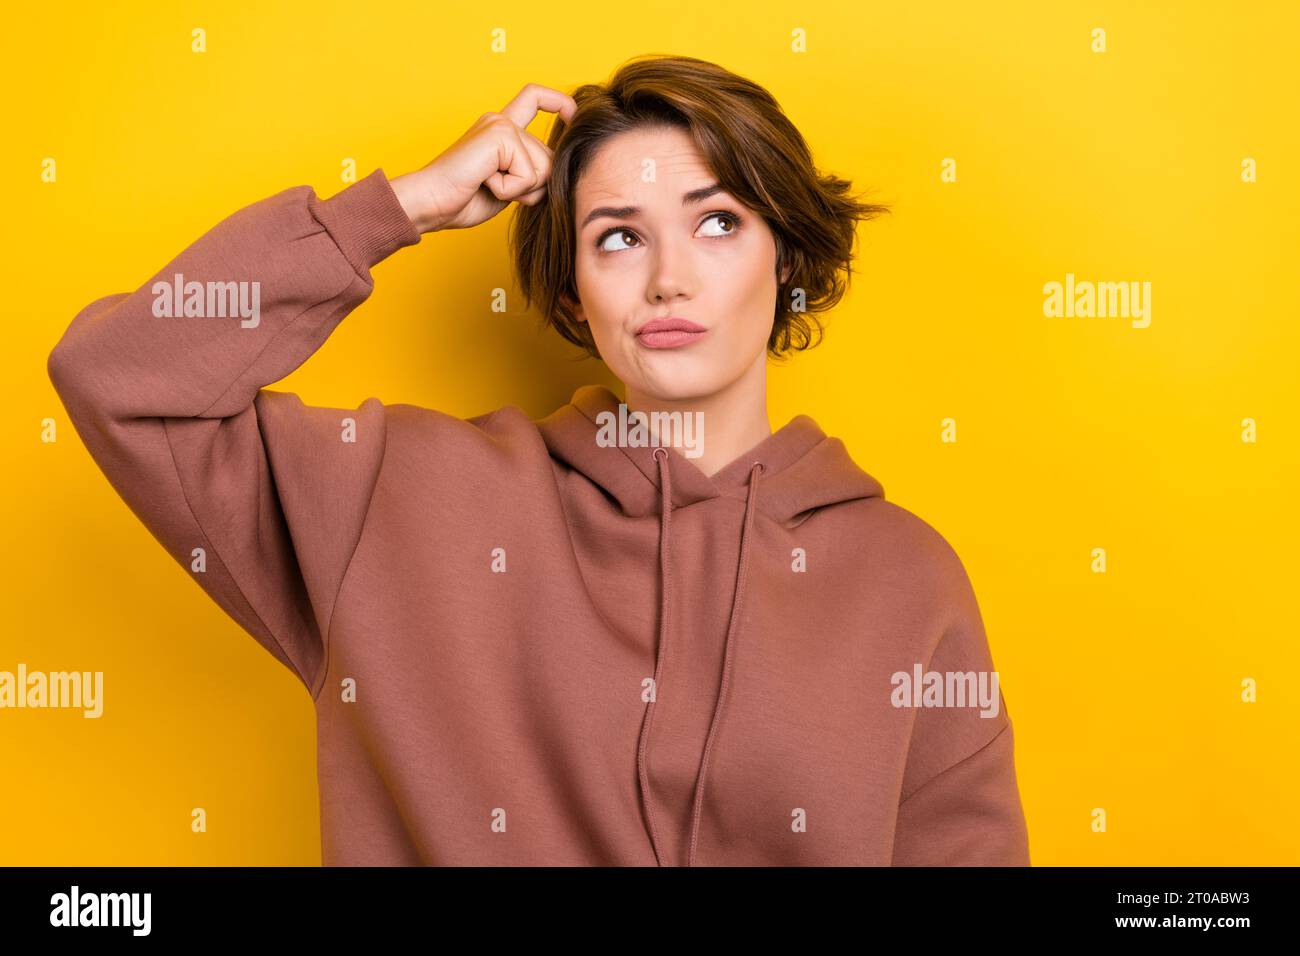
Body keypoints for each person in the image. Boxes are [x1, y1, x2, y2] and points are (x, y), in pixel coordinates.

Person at [46, 54, 1030, 866]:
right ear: (570, 292)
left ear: (790, 267)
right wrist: (393, 211)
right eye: (617, 238)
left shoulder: (906, 578)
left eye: (718, 221)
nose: (668, 277)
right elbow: (119, 379)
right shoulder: (390, 498)